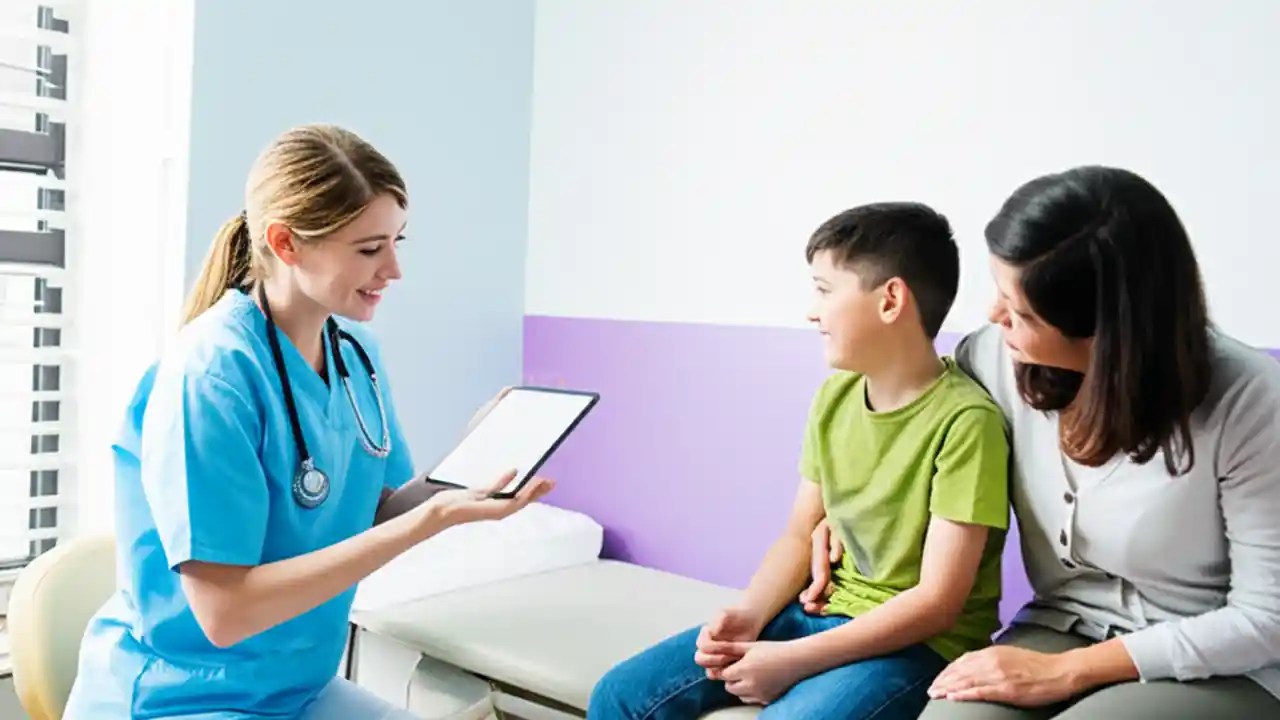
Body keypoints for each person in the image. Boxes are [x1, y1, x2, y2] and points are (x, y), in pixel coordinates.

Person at [63, 124, 553, 719]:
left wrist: (466, 465)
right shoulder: (212, 376)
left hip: (293, 688)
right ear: (286, 244)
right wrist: (431, 520)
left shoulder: (353, 355)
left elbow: (373, 510)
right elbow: (225, 613)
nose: (394, 268)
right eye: (369, 249)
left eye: (398, 241)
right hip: (185, 696)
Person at [810, 166, 1280, 719]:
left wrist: (1067, 672)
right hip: (1058, 624)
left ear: (1109, 331)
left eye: (1022, 311)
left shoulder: (1249, 400)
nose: (993, 315)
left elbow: (1265, 619)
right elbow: (924, 448)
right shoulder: (990, 359)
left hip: (1212, 658)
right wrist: (844, 516)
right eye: (999, 289)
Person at [588, 203, 1011, 718]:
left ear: (890, 300)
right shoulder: (834, 399)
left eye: (824, 290)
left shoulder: (967, 422)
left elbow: (938, 602)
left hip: (916, 647)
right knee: (618, 695)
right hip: (821, 612)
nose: (812, 311)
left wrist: (791, 660)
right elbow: (798, 533)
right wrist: (750, 612)